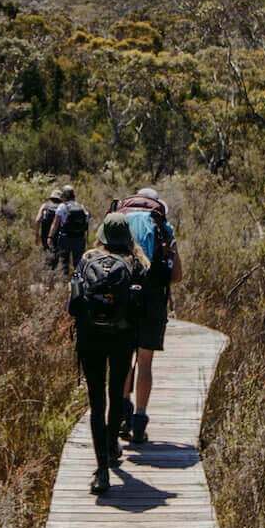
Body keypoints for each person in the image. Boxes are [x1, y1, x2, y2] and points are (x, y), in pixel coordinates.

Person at [70, 212, 148, 495]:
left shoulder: (86, 259)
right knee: (116, 395)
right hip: (122, 340)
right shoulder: (135, 263)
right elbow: (142, 308)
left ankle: (102, 470)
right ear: (127, 237)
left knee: (96, 401)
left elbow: (73, 305)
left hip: (90, 340)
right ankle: (113, 447)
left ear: (102, 235)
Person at [114, 186, 182, 445]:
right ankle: (140, 423)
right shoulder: (164, 227)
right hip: (152, 298)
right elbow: (176, 276)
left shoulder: (119, 220)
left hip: (121, 295)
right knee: (145, 361)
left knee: (123, 357)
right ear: (156, 205)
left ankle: (122, 414)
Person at [47, 185, 90, 276]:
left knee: (64, 263)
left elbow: (55, 223)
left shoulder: (62, 207)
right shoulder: (81, 206)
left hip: (65, 238)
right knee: (78, 264)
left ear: (65, 196)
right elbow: (86, 221)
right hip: (79, 238)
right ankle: (78, 284)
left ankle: (64, 283)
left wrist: (50, 237)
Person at [35, 188, 63, 268]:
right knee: (56, 254)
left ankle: (46, 269)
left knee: (46, 251)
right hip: (58, 235)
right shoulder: (62, 208)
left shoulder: (44, 206)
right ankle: (54, 270)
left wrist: (36, 235)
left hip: (45, 235)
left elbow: (37, 220)